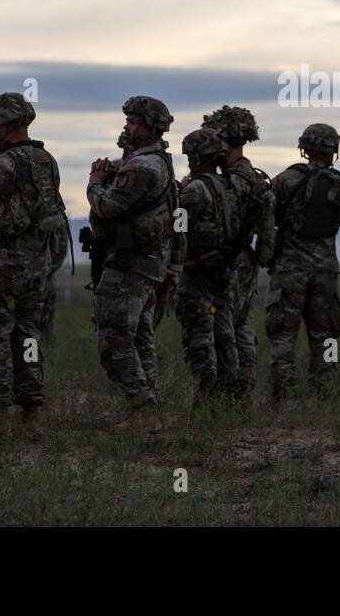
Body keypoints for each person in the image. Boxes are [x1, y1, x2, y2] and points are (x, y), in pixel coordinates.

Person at [0, 92, 66, 441]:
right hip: (37, 267)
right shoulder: (47, 161)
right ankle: (31, 416)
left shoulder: (1, 165)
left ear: (13, 123)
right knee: (28, 337)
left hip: (1, 267)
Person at [87, 96, 179, 430]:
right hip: (147, 263)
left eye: (134, 122)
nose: (127, 127)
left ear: (151, 126)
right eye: (127, 121)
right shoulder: (159, 162)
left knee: (114, 340)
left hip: (130, 265)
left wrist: (96, 182)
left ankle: (142, 409)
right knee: (140, 340)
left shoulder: (142, 167)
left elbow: (108, 207)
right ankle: (149, 411)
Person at [265, 123, 340, 405]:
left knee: (283, 334)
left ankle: (284, 397)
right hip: (325, 271)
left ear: (304, 149)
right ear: (333, 152)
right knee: (326, 336)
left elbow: (269, 218)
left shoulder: (284, 180)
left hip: (289, 270)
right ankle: (325, 394)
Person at [201, 105, 274, 402]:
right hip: (247, 261)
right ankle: (245, 392)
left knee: (222, 326)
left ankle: (225, 394)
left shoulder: (226, 182)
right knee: (242, 324)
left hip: (225, 262)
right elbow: (268, 237)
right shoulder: (257, 179)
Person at [175, 127, 239, 405]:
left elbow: (178, 229)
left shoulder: (196, 188)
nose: (188, 158)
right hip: (222, 272)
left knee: (199, 337)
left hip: (197, 274)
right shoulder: (229, 186)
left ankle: (205, 397)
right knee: (224, 333)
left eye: (190, 154)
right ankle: (228, 395)